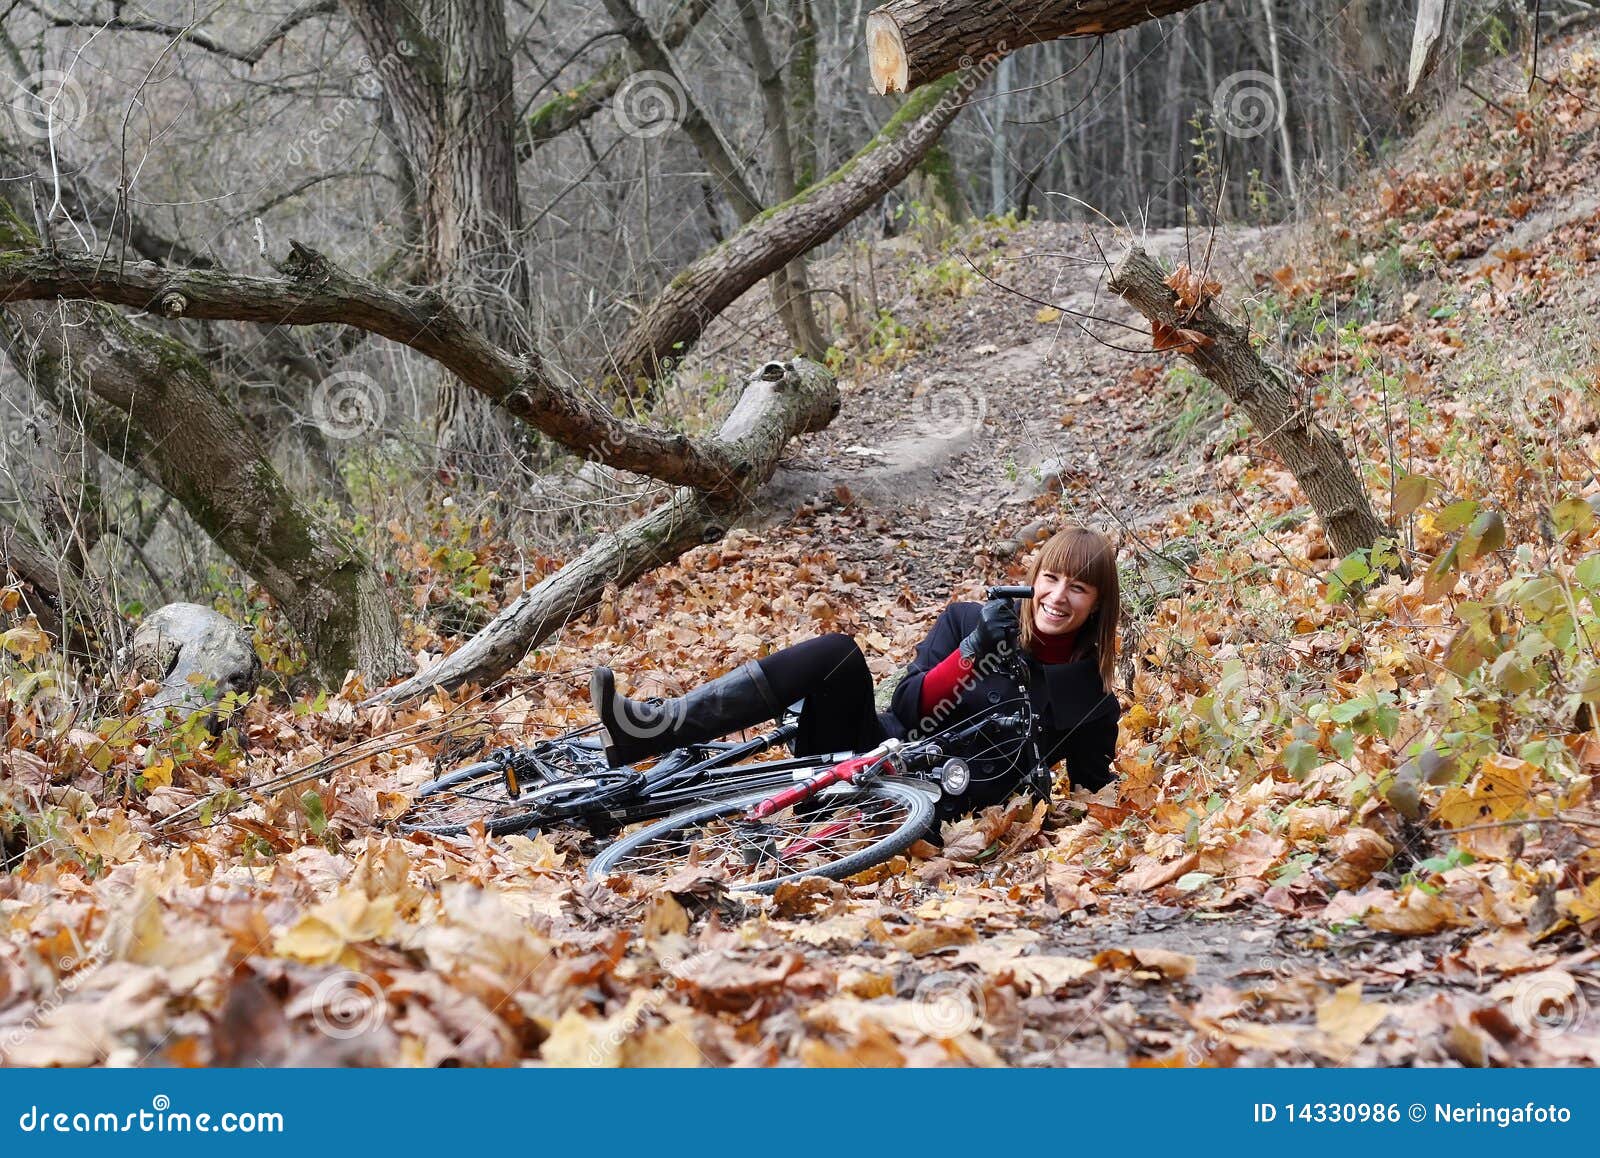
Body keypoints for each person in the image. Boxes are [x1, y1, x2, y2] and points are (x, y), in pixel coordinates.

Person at [588, 526, 1123, 816]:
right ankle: (653, 728)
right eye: (1050, 578)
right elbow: (909, 708)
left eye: (1077, 587)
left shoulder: (1092, 699)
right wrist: (974, 651)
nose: (1057, 597)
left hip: (941, 806)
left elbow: (1093, 792)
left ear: (1097, 603)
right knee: (836, 652)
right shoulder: (967, 621)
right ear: (1032, 580)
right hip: (871, 749)